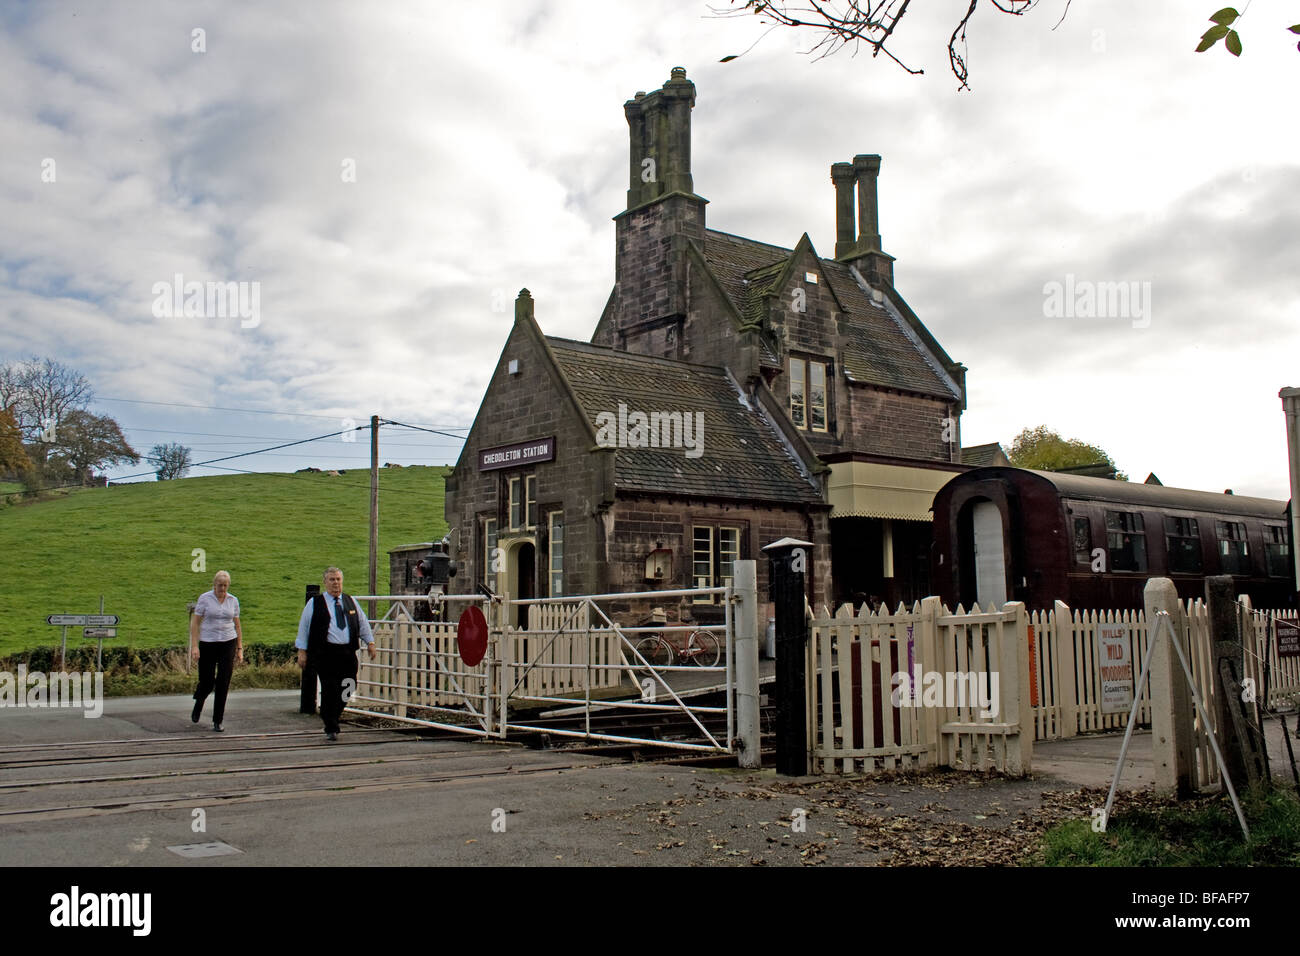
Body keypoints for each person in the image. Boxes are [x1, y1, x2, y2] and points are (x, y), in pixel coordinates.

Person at [295, 567, 375, 740]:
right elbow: (304, 627)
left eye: (338, 579)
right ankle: (331, 726)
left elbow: (362, 623)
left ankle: (332, 716)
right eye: (332, 580)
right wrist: (302, 651)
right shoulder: (315, 603)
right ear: (325, 582)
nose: (335, 583)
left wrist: (370, 642)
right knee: (330, 689)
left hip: (347, 652)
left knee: (349, 685)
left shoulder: (350, 601)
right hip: (326, 653)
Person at [190, 570, 243, 732]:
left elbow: (237, 625)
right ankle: (199, 701)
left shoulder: (233, 600)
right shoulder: (205, 599)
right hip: (208, 642)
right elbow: (195, 623)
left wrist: (240, 648)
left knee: (223, 681)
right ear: (214, 585)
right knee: (207, 681)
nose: (223, 589)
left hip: (228, 642)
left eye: (225, 586)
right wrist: (194, 646)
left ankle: (217, 720)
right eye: (220, 585)